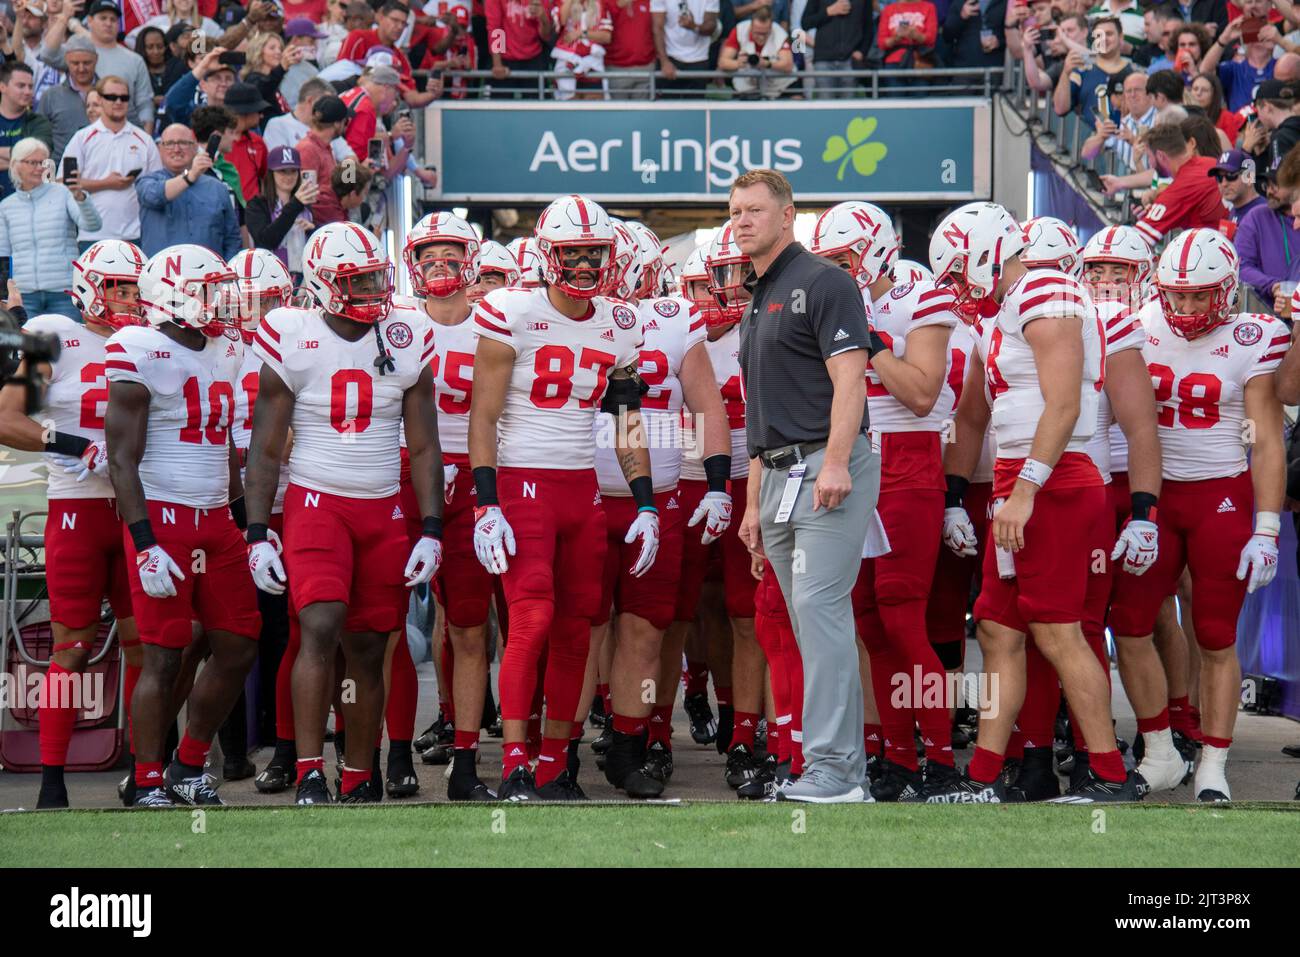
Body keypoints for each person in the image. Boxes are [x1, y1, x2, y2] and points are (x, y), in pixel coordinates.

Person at [931, 201, 1139, 803]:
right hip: (1015, 483)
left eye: (956, 273)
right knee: (997, 629)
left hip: (1054, 483)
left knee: (1058, 632)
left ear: (987, 253)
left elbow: (1066, 404)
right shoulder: (1002, 310)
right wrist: (959, 499)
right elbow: (973, 417)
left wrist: (1024, 491)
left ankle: (1108, 773)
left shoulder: (1046, 290)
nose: (954, 288)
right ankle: (985, 778)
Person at [243, 221, 443, 805]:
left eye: (376, 278)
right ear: (326, 284)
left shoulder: (406, 334)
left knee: (369, 642)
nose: (372, 292)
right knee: (320, 626)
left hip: (383, 507)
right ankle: (308, 768)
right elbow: (264, 443)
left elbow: (425, 444)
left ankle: (358, 772)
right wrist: (258, 530)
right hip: (316, 501)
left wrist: (430, 528)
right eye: (357, 283)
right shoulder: (291, 332)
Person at [468, 194, 653, 801]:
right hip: (524, 482)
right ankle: (516, 759)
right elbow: (485, 415)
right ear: (548, 255)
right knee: (532, 618)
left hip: (582, 488)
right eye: (572, 254)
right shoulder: (511, 311)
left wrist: (646, 500)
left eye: (593, 253)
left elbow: (628, 417)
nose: (583, 265)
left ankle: (554, 761)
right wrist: (486, 501)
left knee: (578, 627)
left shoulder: (620, 321)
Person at [1108, 229, 1285, 803]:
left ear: (1227, 291)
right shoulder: (1140, 323)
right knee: (1130, 625)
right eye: (1176, 296)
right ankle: (1160, 751)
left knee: (1214, 634)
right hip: (1153, 497)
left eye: (1198, 296)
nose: (1184, 308)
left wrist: (1266, 528)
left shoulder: (1255, 337)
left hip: (1220, 498)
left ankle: (1213, 762)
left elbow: (1266, 440)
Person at [730, 169, 875, 804]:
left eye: (755, 210)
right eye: (735, 212)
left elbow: (852, 381)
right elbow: (761, 408)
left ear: (788, 215)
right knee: (803, 621)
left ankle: (837, 772)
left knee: (821, 615)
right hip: (778, 472)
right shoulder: (756, 292)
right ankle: (829, 765)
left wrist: (838, 462)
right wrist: (753, 503)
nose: (742, 221)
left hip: (823, 467)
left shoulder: (825, 281)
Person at [809, 200, 961, 802]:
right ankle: (897, 757)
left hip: (907, 459)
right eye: (830, 262)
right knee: (868, 621)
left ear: (876, 251)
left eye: (845, 259)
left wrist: (866, 340)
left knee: (902, 616)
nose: (838, 271)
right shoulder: (823, 298)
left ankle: (942, 760)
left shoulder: (920, 297)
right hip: (848, 454)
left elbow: (922, 394)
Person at [104, 243, 262, 808]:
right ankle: (145, 778)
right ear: (171, 295)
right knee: (165, 652)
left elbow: (225, 447)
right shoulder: (137, 348)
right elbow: (121, 458)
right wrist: (143, 541)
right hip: (163, 515)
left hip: (216, 516)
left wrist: (252, 527)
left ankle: (187, 765)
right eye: (208, 290)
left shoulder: (226, 347)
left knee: (240, 643)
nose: (221, 301)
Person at [0, 239, 145, 808]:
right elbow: (7, 418)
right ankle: (51, 783)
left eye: (134, 287)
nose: (130, 299)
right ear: (87, 285)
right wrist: (67, 442)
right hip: (78, 510)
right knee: (71, 648)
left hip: (137, 507)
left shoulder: (151, 340)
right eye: (118, 287)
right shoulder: (51, 335)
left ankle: (146, 770)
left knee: (146, 647)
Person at [590, 222, 731, 799]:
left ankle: (633, 745)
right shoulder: (565, 314)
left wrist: (718, 485)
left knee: (648, 630)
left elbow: (707, 408)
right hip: (586, 494)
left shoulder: (676, 318)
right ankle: (550, 756)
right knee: (582, 630)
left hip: (662, 497)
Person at [398, 212, 499, 800]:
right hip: (401, 479)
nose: (440, 264)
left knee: (468, 628)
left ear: (472, 259)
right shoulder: (393, 324)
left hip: (475, 481)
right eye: (428, 253)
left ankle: (464, 759)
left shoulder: (499, 321)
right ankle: (389, 753)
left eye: (451, 253)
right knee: (380, 629)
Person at [0, 137, 102, 320]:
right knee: (27, 349)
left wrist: (80, 196)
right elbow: (3, 254)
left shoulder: (63, 193)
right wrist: (5, 294)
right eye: (33, 162)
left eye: (43, 162)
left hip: (64, 292)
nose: (39, 168)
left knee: (69, 348)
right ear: (16, 165)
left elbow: (92, 225)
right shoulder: (6, 206)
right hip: (25, 296)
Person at [61, 75, 162, 250]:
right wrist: (106, 183)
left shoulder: (144, 140)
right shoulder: (82, 138)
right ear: (99, 99)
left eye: (124, 98)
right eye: (111, 97)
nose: (118, 102)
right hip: (92, 236)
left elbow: (157, 188)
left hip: (135, 236)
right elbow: (62, 183)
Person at [41, 0, 156, 132]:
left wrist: (146, 139)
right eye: (103, 18)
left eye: (113, 19)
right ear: (89, 21)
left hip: (120, 135)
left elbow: (144, 105)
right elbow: (47, 54)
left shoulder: (135, 60)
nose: (108, 23)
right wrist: (64, 18)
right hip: (77, 129)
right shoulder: (79, 52)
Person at [134, 123, 241, 259]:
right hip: (160, 276)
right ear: (160, 149)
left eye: (183, 143)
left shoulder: (218, 188)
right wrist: (191, 175)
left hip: (209, 276)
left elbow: (232, 238)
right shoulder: (147, 181)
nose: (177, 149)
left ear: (195, 147)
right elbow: (155, 196)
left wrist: (226, 271)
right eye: (170, 143)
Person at [1133, 120, 1224, 245]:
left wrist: (1149, 220)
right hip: (1224, 247)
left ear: (1160, 156)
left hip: (1211, 254)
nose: (1150, 163)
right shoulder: (1210, 162)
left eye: (1149, 157)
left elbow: (1135, 241)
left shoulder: (1184, 185)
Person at [339, 1, 438, 106]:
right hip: (347, 105)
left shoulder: (400, 59)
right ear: (381, 17)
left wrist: (433, 94)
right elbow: (339, 72)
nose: (399, 27)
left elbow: (412, 98)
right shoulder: (358, 37)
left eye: (403, 24)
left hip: (377, 114)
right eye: (395, 20)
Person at [246, 146, 318, 279]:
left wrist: (312, 230)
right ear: (271, 173)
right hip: (270, 278)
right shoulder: (256, 204)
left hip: (304, 278)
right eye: (282, 171)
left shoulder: (305, 203)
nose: (288, 176)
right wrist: (295, 204)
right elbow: (265, 241)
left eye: (293, 171)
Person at [1235, 156, 1300, 304]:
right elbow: (1240, 266)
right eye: (1267, 184)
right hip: (1270, 315)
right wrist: (1272, 286)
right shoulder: (1257, 216)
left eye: (1276, 184)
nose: (1269, 191)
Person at [1054, 16, 1133, 129]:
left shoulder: (1133, 72)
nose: (1104, 39)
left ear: (1121, 37)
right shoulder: (1082, 66)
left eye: (1109, 34)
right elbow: (1060, 109)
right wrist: (1065, 73)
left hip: (1123, 141)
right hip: (1088, 140)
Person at [1201, 1, 1281, 111]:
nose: (1259, 38)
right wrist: (1224, 39)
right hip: (1239, 126)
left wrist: (1280, 41)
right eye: (1253, 33)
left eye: (1264, 31)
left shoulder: (1281, 66)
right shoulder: (1235, 69)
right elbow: (1205, 71)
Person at [38, 37, 99, 166]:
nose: (81, 69)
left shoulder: (111, 93)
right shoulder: (51, 96)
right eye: (75, 63)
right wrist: (48, 179)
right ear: (66, 60)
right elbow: (40, 141)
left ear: (96, 60)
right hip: (60, 172)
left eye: (87, 63)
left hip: (102, 171)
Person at [263, 78, 355, 163]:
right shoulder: (278, 125)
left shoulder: (328, 126)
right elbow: (281, 168)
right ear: (311, 100)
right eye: (326, 102)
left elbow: (350, 158)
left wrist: (347, 180)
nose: (330, 108)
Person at [718, 5, 798, 99]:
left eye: (765, 33)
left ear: (771, 27)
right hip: (747, 84)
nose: (761, 37)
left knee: (797, 98)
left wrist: (767, 63)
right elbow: (723, 62)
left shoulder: (779, 32)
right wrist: (738, 63)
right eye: (758, 33)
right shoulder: (740, 30)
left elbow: (788, 65)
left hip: (779, 84)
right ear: (751, 26)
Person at [0, 62, 53, 203]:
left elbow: (44, 162)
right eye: (21, 86)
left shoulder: (39, 122)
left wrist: (31, 161)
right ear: (2, 87)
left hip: (29, 204)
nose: (28, 91)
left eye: (30, 86)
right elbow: (32, 162)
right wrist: (24, 162)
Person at [295, 93, 350, 226]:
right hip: (320, 228)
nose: (346, 126)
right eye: (345, 122)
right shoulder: (308, 149)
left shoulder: (325, 147)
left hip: (332, 224)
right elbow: (307, 195)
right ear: (337, 124)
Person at [801, 0, 872, 99]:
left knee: (848, 109)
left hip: (851, 60)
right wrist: (829, 11)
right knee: (826, 108)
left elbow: (869, 26)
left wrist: (862, 51)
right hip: (824, 60)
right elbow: (805, 23)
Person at [486, 0, 558, 93]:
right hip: (505, 58)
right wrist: (497, 64)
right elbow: (495, 27)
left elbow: (545, 36)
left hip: (533, 56)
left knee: (535, 105)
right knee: (501, 105)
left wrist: (543, 18)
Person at [551, 0, 613, 100]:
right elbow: (561, 21)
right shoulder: (562, 2)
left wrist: (582, 33)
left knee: (594, 105)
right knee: (569, 103)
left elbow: (606, 37)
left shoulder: (600, 4)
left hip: (592, 61)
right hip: (568, 58)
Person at [651, 0, 719, 90]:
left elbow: (711, 26)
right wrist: (664, 61)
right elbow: (657, 28)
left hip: (699, 58)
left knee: (696, 103)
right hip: (670, 57)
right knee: (666, 103)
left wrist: (694, 27)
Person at [163, 46, 236, 128]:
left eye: (229, 79)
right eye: (217, 78)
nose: (223, 83)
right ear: (203, 85)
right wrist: (203, 67)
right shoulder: (196, 116)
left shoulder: (242, 114)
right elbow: (173, 102)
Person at [222, 82, 270, 205]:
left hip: (253, 215)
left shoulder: (258, 142)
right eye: (258, 111)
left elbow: (266, 180)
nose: (261, 115)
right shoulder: (215, 141)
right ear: (244, 112)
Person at [603, 0, 656, 99]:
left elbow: (658, 28)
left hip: (645, 68)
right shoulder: (606, 3)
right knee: (619, 113)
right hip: (617, 70)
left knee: (643, 113)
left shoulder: (649, 2)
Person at [1212, 149, 1266, 237]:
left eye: (1231, 175)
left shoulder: (1263, 213)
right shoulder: (1235, 209)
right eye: (1219, 178)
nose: (1224, 184)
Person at [945, 0, 1008, 70]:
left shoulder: (1005, 2)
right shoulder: (961, 2)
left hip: (994, 68)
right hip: (965, 68)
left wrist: (999, 42)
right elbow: (947, 36)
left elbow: (1016, 33)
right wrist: (962, 17)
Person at [1190, 71, 1244, 144]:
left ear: (1214, 95)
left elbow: (1230, 151)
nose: (1198, 93)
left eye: (1204, 90)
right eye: (1195, 89)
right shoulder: (1183, 115)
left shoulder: (1226, 118)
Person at [135, 26, 169, 113]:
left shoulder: (178, 67)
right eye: (150, 47)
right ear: (142, 48)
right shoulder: (135, 70)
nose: (156, 51)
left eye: (160, 46)